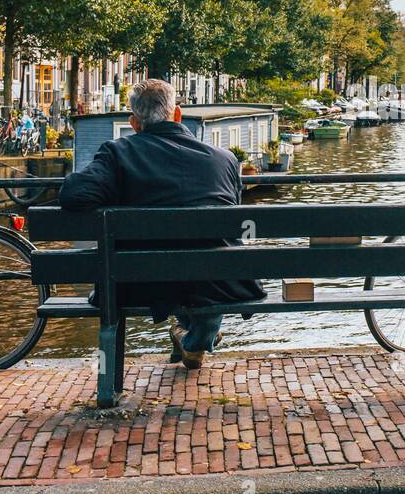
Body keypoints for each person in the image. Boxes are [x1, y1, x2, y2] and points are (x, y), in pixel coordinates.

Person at [58, 79, 264, 370]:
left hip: (138, 284)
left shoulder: (117, 154)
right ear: (177, 114)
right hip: (220, 281)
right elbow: (233, 224)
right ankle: (195, 340)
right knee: (209, 261)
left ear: (134, 122)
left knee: (183, 266)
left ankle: (178, 344)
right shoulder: (225, 160)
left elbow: (72, 195)